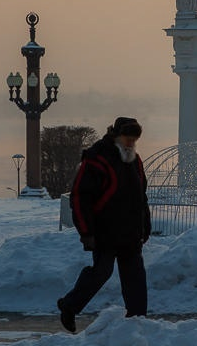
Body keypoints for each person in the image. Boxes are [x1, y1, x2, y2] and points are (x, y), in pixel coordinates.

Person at [57, 117, 151, 332]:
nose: (131, 143)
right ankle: (69, 306)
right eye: (128, 138)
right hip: (104, 232)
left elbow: (141, 197)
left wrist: (145, 224)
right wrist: (86, 232)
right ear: (116, 136)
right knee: (101, 272)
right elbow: (80, 197)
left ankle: (139, 323)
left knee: (135, 278)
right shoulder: (96, 159)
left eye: (134, 140)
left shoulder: (135, 161)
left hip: (130, 233)